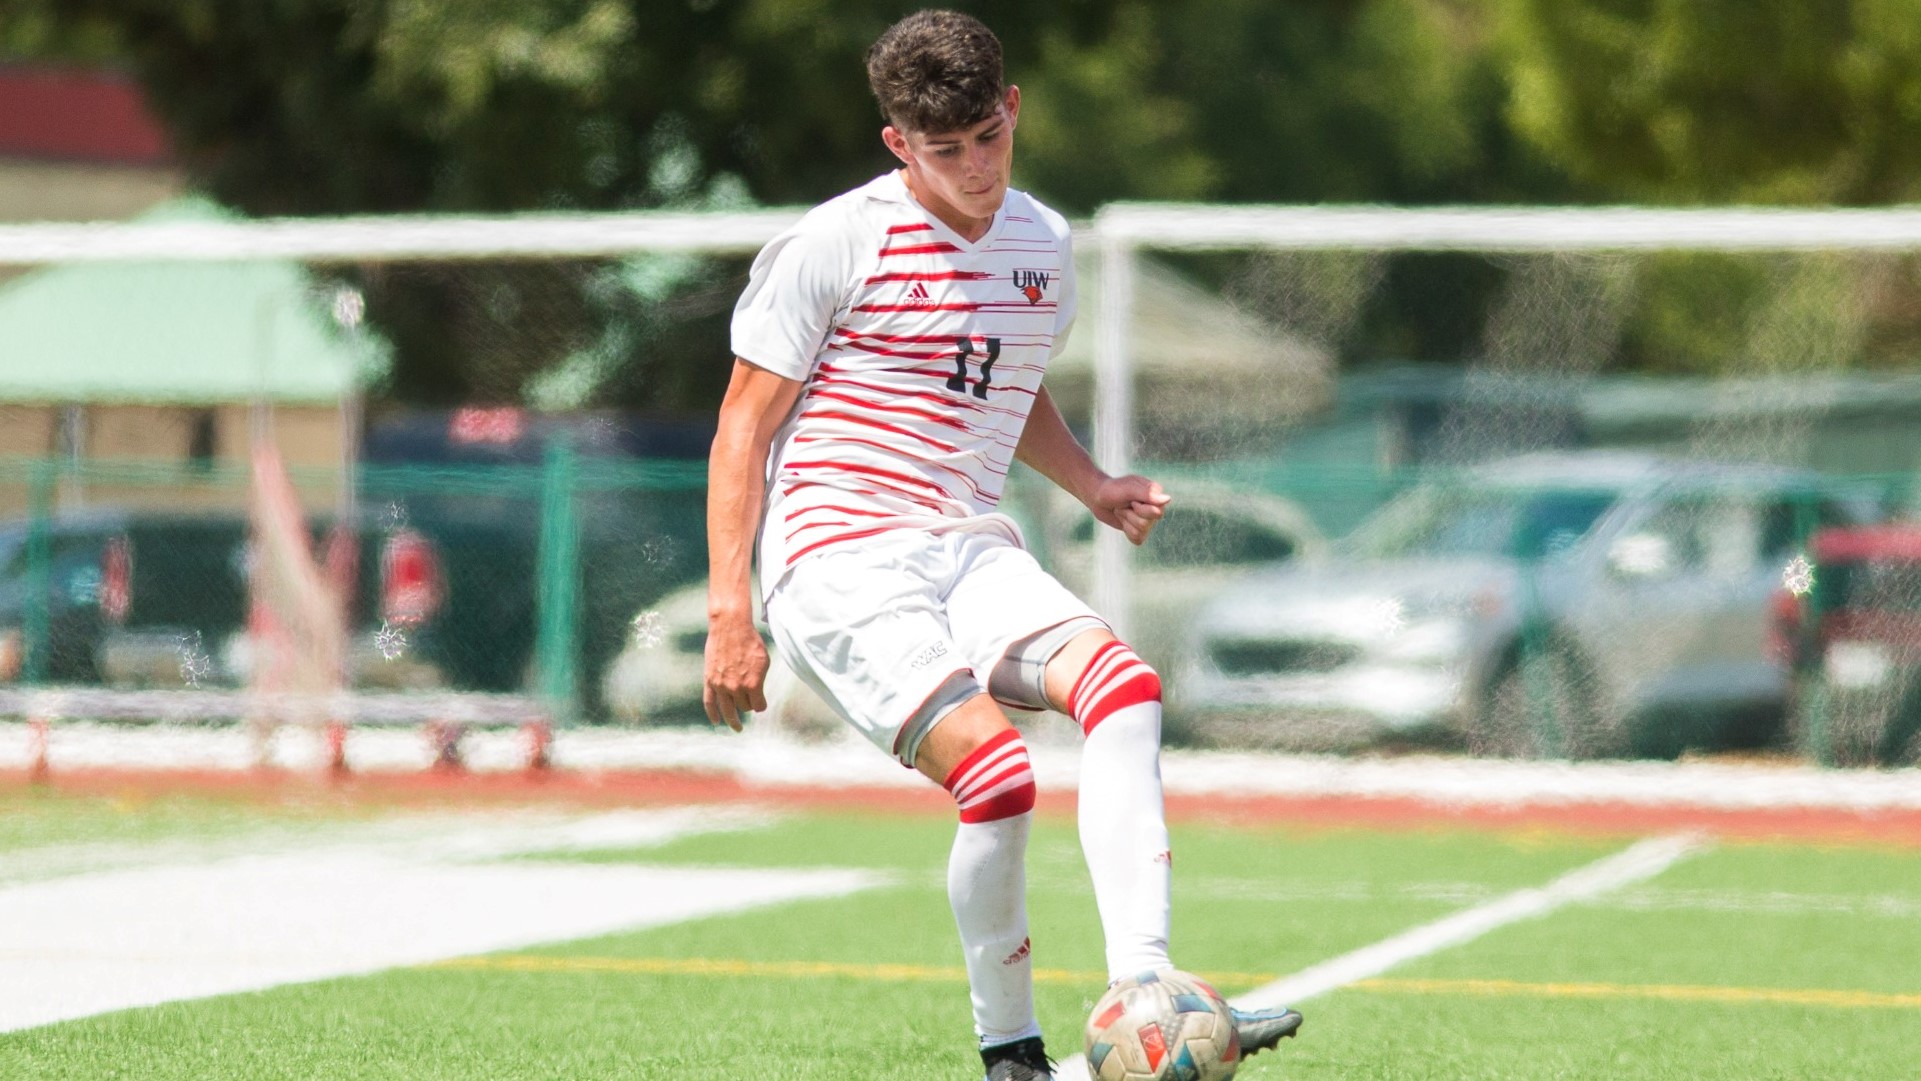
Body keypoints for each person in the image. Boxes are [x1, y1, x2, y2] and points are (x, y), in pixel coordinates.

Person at [703, 11, 1302, 1079]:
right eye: (945, 150)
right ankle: (1010, 1052)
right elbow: (742, 425)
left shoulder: (1042, 243)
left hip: (969, 546)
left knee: (1126, 690)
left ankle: (1147, 988)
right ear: (899, 145)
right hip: (839, 562)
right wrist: (728, 613)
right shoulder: (833, 243)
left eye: (988, 135)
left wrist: (1093, 483)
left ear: (1011, 108)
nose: (975, 166)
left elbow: (1001, 388)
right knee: (1000, 778)